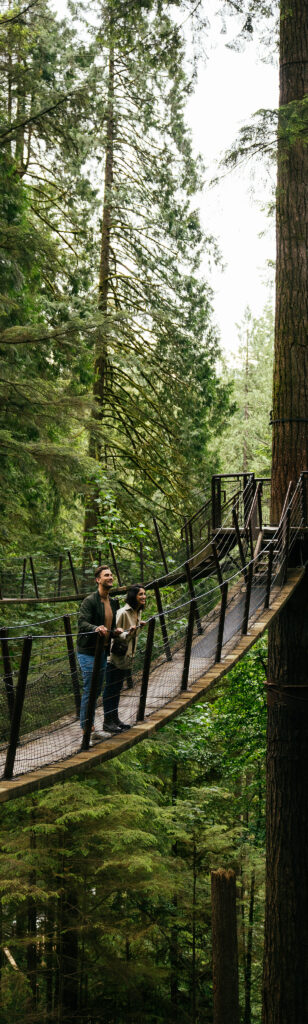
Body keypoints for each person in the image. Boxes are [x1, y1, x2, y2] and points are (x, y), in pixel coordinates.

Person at [77, 565, 123, 740]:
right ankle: (86, 730)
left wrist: (114, 632)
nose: (110, 577)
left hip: (103, 651)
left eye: (111, 574)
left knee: (96, 692)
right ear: (98, 579)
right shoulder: (90, 601)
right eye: (106, 575)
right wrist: (95, 628)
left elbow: (109, 627)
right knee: (90, 690)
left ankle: (91, 727)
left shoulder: (113, 602)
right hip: (88, 652)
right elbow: (82, 623)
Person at [103, 584, 147, 732]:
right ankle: (107, 721)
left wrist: (138, 627)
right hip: (116, 656)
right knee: (111, 688)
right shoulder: (123, 612)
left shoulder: (136, 612)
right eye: (140, 594)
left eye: (144, 594)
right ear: (133, 596)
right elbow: (114, 633)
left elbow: (130, 635)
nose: (143, 597)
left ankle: (115, 719)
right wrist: (127, 633)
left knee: (117, 688)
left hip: (127, 656)